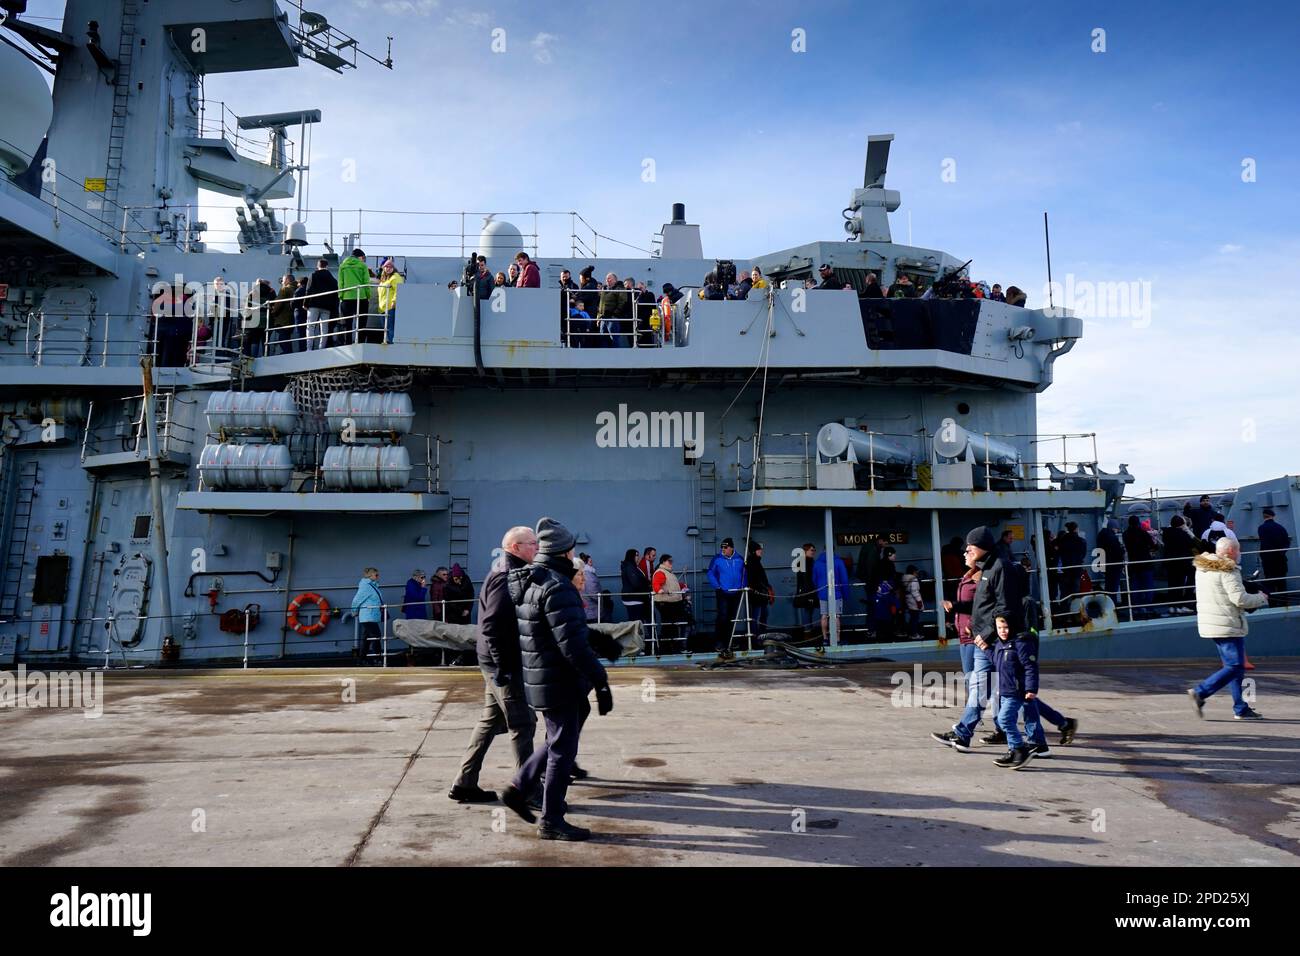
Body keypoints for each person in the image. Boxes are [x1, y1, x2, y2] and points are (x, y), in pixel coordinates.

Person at [500, 518, 614, 841]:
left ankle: (519, 786)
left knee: (556, 739)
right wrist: (601, 680)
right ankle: (551, 820)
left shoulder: (532, 580)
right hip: (558, 680)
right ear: (566, 552)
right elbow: (572, 645)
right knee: (562, 749)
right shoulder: (557, 586)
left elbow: (554, 632)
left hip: (542, 677)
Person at [449, 527, 540, 805]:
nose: (537, 547)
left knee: (489, 722)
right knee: (523, 723)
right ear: (515, 546)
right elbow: (491, 624)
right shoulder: (506, 576)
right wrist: (503, 666)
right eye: (532, 543)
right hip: (503, 664)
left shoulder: (510, 570)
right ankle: (527, 790)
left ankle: (465, 783)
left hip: (493, 661)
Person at [931, 526, 1023, 752]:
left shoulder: (1000, 568)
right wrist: (974, 626)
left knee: (1011, 691)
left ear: (981, 548)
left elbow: (1005, 606)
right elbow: (982, 607)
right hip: (983, 641)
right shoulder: (984, 569)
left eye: (970, 549)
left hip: (996, 643)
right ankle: (963, 735)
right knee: (979, 688)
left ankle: (1029, 742)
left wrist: (987, 633)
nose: (966, 552)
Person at [1188, 537, 1268, 720]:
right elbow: (1240, 599)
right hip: (1228, 623)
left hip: (1214, 622)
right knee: (1234, 666)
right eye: (1238, 551)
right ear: (1231, 552)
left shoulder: (1203, 568)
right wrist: (1261, 598)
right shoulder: (1228, 570)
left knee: (1236, 668)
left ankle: (1241, 708)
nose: (1239, 555)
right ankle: (1200, 693)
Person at [990, 615, 1040, 770]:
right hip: (1004, 690)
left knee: (1004, 719)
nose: (1003, 631)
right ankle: (1014, 752)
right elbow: (994, 660)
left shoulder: (1020, 643)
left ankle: (1020, 749)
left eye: (1006, 627)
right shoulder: (999, 644)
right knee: (1004, 720)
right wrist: (984, 648)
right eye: (999, 628)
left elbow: (1030, 667)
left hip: (1016, 691)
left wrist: (1031, 688)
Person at [707, 538, 747, 657]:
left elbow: (744, 574)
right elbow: (710, 573)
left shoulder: (739, 559)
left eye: (725, 547)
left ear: (731, 548)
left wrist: (743, 586)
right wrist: (717, 586)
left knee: (732, 617)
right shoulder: (717, 559)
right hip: (723, 592)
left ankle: (730, 640)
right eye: (722, 547)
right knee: (722, 616)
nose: (723, 550)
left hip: (736, 592)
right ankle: (720, 641)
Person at [337, 248, 374, 344]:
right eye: (363, 258)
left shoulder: (342, 265)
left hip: (346, 297)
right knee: (362, 322)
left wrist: (341, 296)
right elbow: (366, 282)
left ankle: (347, 343)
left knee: (347, 324)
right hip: (361, 297)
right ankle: (360, 343)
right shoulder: (362, 265)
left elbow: (340, 283)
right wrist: (368, 296)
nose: (363, 260)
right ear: (360, 257)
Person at [812, 548, 850, 643]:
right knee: (836, 616)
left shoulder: (817, 563)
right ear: (833, 551)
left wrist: (819, 592)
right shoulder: (839, 562)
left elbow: (814, 580)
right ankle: (837, 639)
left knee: (824, 615)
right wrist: (845, 594)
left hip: (822, 593)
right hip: (836, 593)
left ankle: (825, 638)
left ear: (823, 550)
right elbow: (844, 579)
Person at [651, 554, 689, 646]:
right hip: (665, 603)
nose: (671, 563)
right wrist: (660, 590)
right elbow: (656, 584)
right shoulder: (661, 572)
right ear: (663, 562)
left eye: (672, 561)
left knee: (671, 624)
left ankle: (672, 643)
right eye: (669, 561)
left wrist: (682, 586)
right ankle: (668, 644)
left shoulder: (668, 572)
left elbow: (671, 584)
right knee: (669, 624)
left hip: (672, 602)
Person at [1123, 514, 1157, 617]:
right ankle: (1148, 607)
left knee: (1135, 587)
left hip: (1133, 564)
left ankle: (1136, 608)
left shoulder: (1125, 534)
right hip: (1146, 563)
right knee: (1148, 586)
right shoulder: (1143, 533)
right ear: (1138, 522)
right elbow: (1153, 546)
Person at [349, 567, 384, 664]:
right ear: (370, 576)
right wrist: (354, 611)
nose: (378, 577)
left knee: (367, 639)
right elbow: (357, 600)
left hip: (370, 615)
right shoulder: (366, 586)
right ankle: (378, 659)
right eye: (376, 575)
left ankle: (362, 660)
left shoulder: (372, 585)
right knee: (376, 635)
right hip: (368, 616)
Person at [1257, 508, 1290, 607]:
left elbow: (1264, 543)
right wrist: (1281, 553)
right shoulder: (1281, 528)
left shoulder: (1262, 528)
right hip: (1280, 559)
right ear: (1273, 516)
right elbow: (1287, 543)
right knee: (1281, 582)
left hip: (1268, 560)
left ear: (1264, 516)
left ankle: (1273, 603)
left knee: (1270, 582)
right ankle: (1284, 602)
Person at [1162, 515, 1198, 609]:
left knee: (1172, 585)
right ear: (1182, 524)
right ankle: (1180, 606)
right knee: (1180, 585)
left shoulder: (1166, 533)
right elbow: (1192, 544)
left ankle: (1172, 606)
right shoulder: (1183, 534)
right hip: (1182, 563)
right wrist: (1187, 530)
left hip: (1170, 563)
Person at [304, 258, 338, 349]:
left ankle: (309, 348)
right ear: (327, 266)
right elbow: (335, 295)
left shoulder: (313, 275)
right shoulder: (333, 279)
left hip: (314, 305)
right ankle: (321, 348)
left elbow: (309, 290)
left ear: (317, 266)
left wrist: (305, 303)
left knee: (310, 327)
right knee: (324, 329)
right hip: (327, 307)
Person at [745, 541, 772, 638]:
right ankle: (757, 637)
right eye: (758, 549)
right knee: (758, 616)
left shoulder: (755, 562)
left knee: (763, 615)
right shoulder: (752, 563)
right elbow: (754, 580)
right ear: (753, 551)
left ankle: (759, 636)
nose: (761, 551)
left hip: (761, 594)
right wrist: (765, 588)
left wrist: (768, 588)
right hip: (757, 595)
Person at [598, 272, 632, 347]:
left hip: (612, 318)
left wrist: (615, 314)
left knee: (614, 338)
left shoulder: (620, 289)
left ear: (615, 280)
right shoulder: (604, 289)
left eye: (609, 278)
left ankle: (616, 354)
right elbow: (601, 304)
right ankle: (605, 354)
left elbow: (622, 302)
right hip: (603, 317)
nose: (607, 280)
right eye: (606, 278)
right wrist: (599, 316)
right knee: (603, 337)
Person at [267, 274, 297, 355]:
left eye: (283, 280)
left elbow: (278, 303)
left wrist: (272, 312)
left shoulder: (285, 289)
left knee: (282, 338)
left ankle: (287, 353)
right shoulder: (295, 289)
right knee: (286, 337)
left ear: (287, 280)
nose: (282, 282)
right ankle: (288, 353)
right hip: (290, 318)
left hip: (283, 319)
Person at [793, 543, 818, 639]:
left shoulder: (808, 561)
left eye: (814, 550)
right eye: (811, 550)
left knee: (809, 611)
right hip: (807, 591)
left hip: (808, 590)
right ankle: (807, 633)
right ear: (805, 551)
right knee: (807, 611)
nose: (813, 552)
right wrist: (810, 594)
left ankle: (808, 631)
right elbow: (806, 579)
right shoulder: (804, 562)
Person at [618, 548, 651, 625]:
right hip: (634, 598)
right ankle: (637, 636)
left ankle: (636, 635)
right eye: (636, 555)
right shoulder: (630, 567)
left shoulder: (631, 567)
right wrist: (647, 585)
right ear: (631, 556)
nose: (638, 557)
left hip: (632, 597)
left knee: (635, 621)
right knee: (637, 622)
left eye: (638, 555)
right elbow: (636, 583)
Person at [1096, 519, 1126, 601]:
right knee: (1113, 587)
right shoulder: (1112, 537)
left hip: (1105, 564)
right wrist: (1122, 550)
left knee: (1108, 586)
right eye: (1116, 528)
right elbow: (1118, 551)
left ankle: (1109, 603)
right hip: (1114, 565)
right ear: (1113, 528)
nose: (1117, 530)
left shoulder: (1101, 535)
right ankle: (1113, 605)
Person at [377, 258, 403, 344]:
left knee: (390, 327)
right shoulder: (384, 279)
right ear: (383, 268)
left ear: (393, 268)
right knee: (386, 328)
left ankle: (391, 343)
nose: (388, 268)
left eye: (390, 266)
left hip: (390, 307)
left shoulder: (395, 277)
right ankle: (387, 341)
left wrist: (394, 302)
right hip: (382, 308)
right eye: (386, 266)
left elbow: (399, 290)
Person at [577, 553, 601, 621]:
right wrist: (601, 601)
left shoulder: (581, 573)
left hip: (586, 608)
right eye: (590, 561)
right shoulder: (589, 575)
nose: (592, 563)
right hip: (592, 610)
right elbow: (594, 594)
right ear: (586, 563)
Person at [902, 565, 923, 638]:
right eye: (916, 572)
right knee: (915, 618)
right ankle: (914, 634)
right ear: (913, 572)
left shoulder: (904, 578)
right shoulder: (914, 579)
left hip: (908, 599)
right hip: (914, 601)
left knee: (912, 618)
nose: (917, 573)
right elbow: (915, 591)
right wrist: (919, 601)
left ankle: (911, 633)